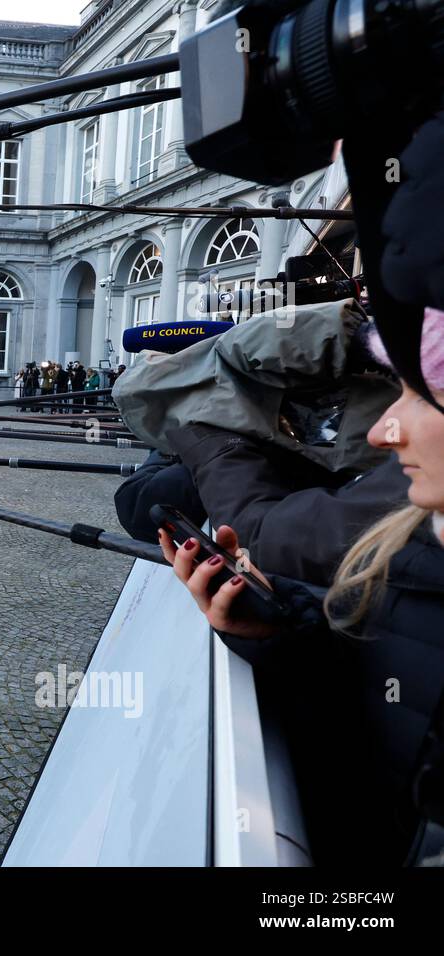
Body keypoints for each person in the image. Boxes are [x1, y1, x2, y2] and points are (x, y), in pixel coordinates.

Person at [158, 312, 444, 864]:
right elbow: (383, 685)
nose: (385, 431)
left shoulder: (407, 524)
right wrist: (277, 628)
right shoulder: (406, 533)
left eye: (424, 397)